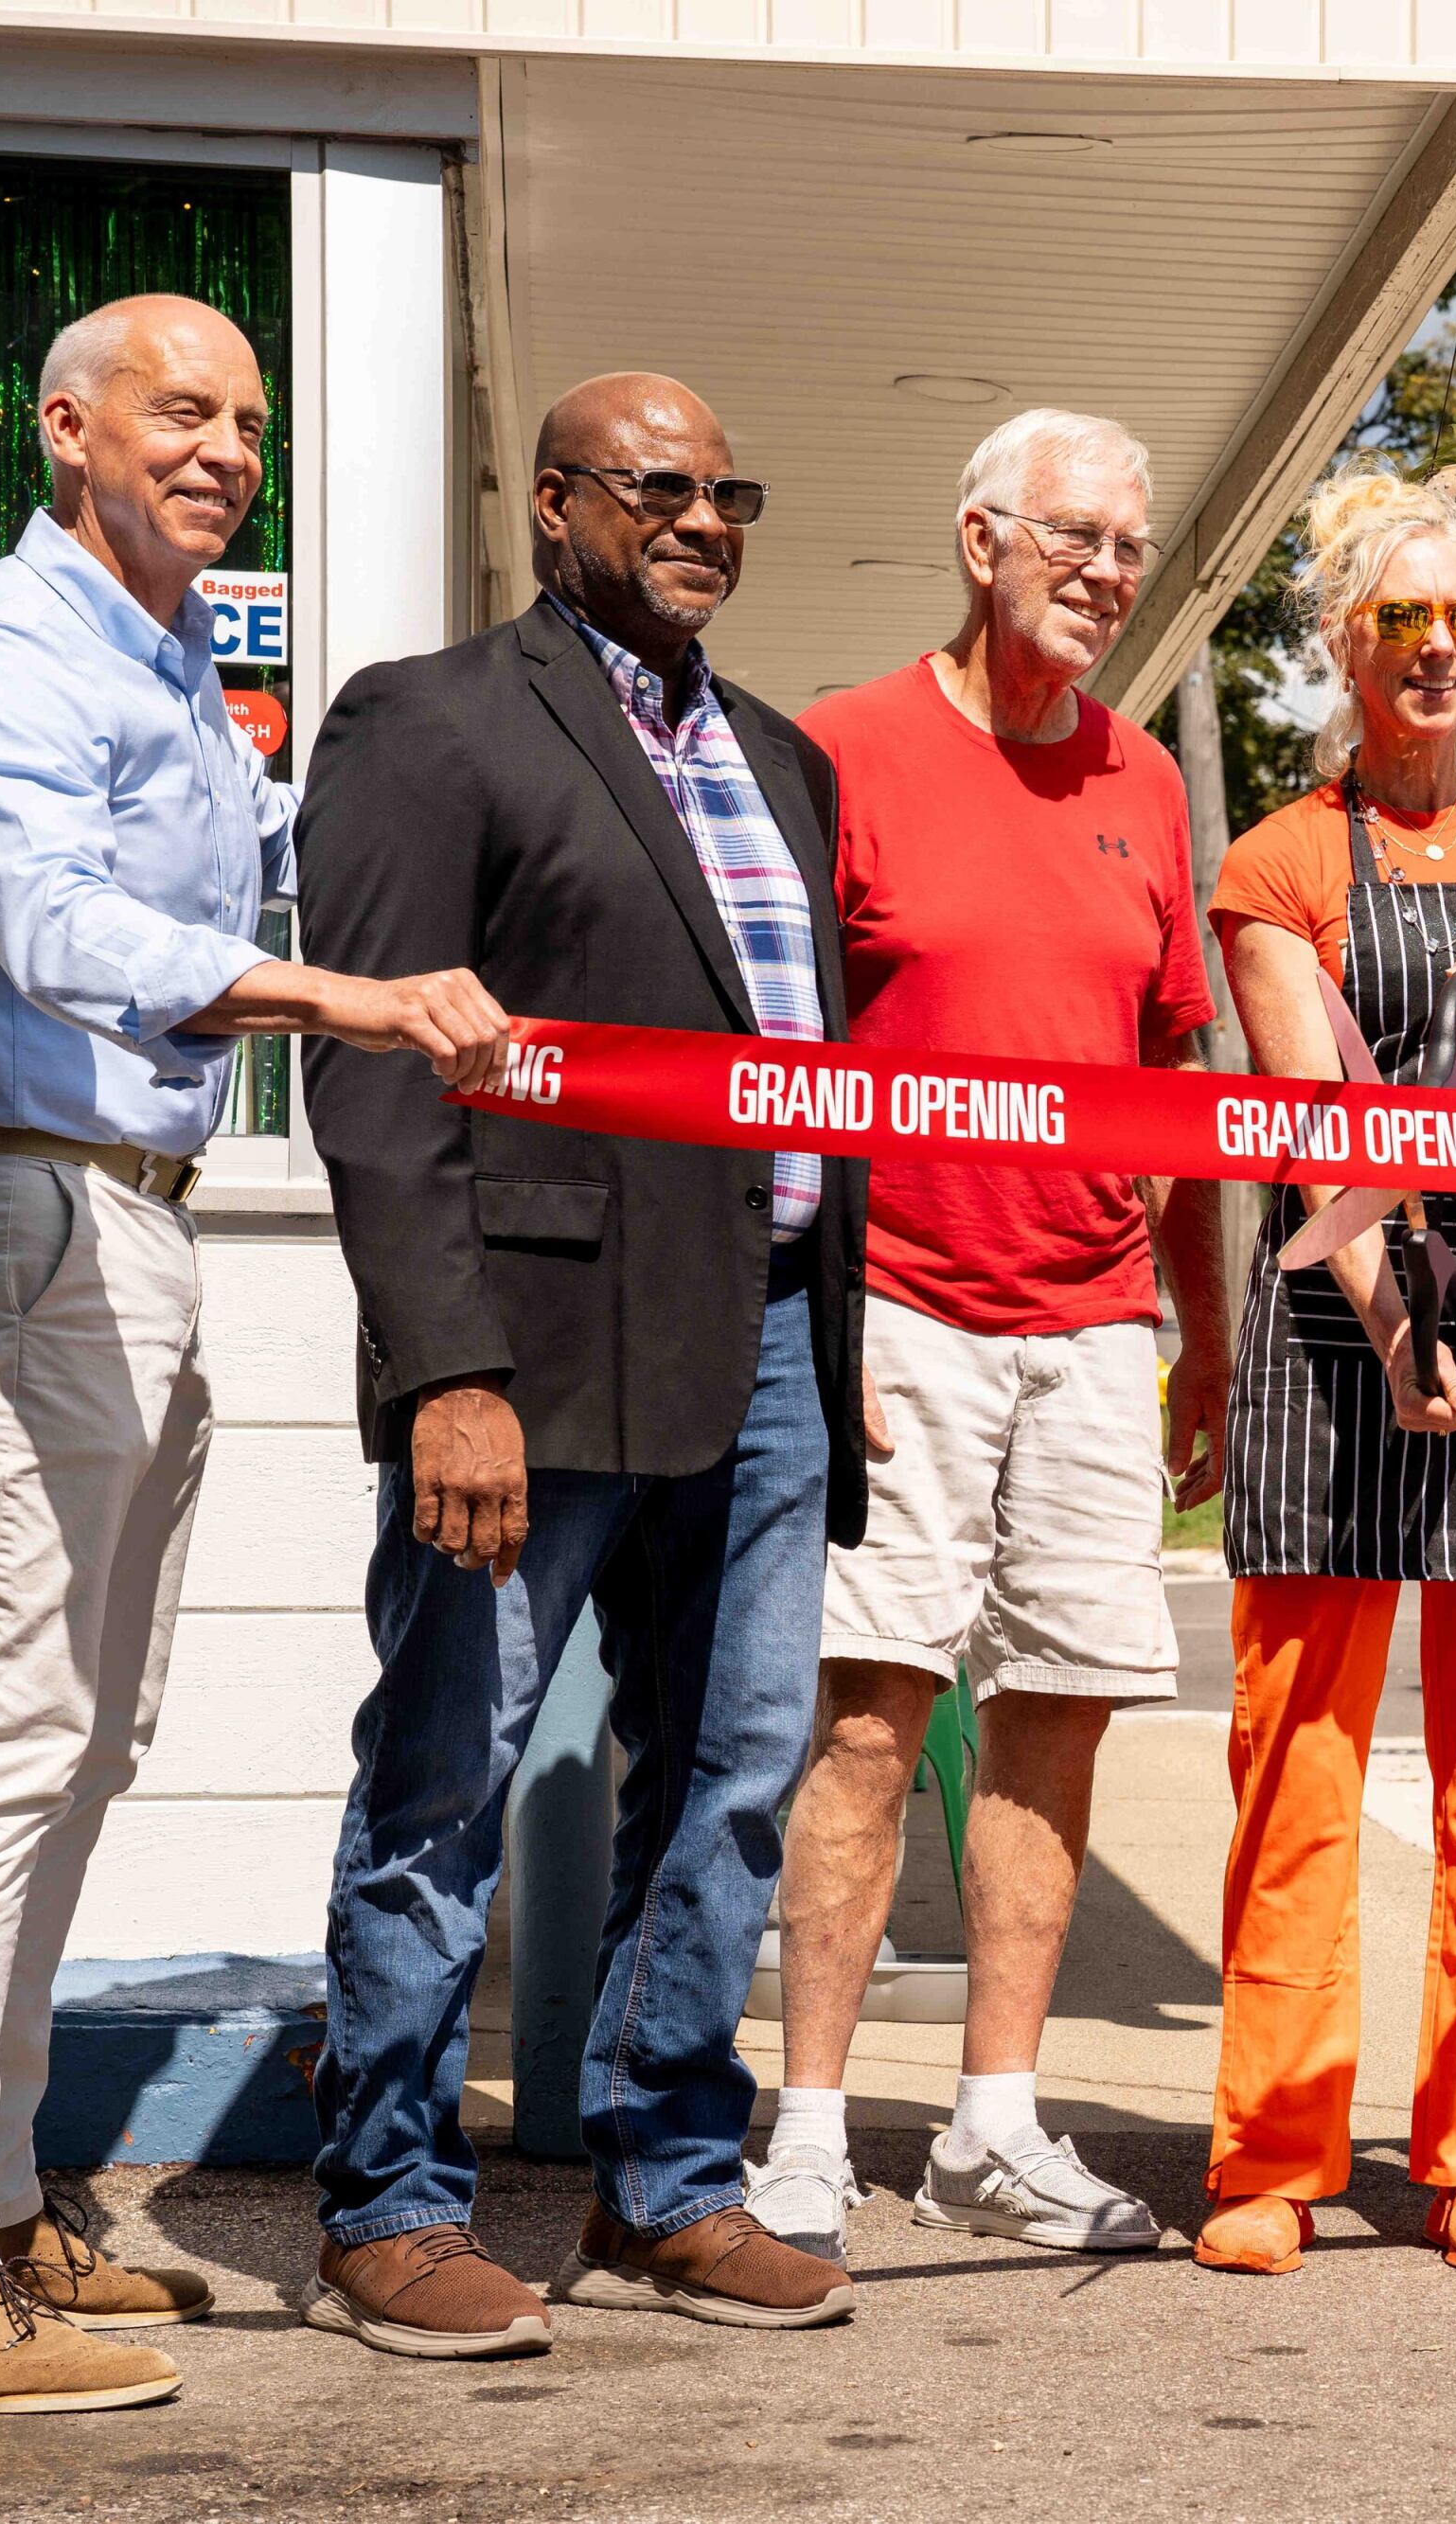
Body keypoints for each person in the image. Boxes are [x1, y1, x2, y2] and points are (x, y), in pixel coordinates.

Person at [0, 295, 512, 2415]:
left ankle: (6, 2198)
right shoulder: (0, 651)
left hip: (122, 1220)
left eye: (246, 423)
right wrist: (348, 1001)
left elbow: (276, 874)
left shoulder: (170, 670)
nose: (221, 448)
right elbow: (53, 928)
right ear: (65, 426)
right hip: (13, 1209)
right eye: (178, 410)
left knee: (84, 1737)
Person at [294, 372, 871, 2355]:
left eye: (732, 488)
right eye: (658, 485)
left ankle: (665, 2180)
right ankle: (386, 2198)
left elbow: (796, 1074)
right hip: (530, 1356)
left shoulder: (784, 759)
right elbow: (372, 1080)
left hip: (772, 1342)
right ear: (553, 506)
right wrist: (443, 1365)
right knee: (449, 1769)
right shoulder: (427, 719)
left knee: (726, 1774)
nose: (703, 517)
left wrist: (836, 1329)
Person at [749, 411, 1227, 2263]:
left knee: (1056, 1718)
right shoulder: (841, 749)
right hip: (895, 1314)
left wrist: (1205, 1333)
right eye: (1077, 537)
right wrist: (811, 1306)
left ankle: (992, 2127)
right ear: (980, 539)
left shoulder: (1140, 781)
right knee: (866, 1720)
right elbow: (769, 1061)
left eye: (1130, 543)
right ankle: (800, 2129)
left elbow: (1173, 1070)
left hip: (1096, 1328)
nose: (1108, 571)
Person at [1193, 471, 1456, 2278]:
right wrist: (1388, 1329)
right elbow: (1318, 1128)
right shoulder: (1279, 859)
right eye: (1402, 622)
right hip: (1333, 1321)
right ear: (1343, 643)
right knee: (1296, 1764)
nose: (1439, 650)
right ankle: (1271, 2155)